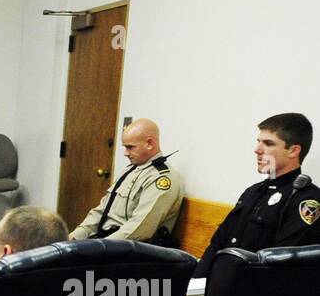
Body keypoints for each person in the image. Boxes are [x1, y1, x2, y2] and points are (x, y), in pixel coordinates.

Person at [195, 113, 320, 277]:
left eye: (268, 143)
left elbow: (283, 267)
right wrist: (195, 283)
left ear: (293, 150)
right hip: (220, 284)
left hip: (256, 293)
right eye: (258, 142)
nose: (257, 150)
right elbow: (218, 243)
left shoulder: (306, 201)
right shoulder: (253, 192)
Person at [68, 118, 184, 245]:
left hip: (130, 252)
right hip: (107, 243)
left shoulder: (162, 179)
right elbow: (101, 211)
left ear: (150, 143)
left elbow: (138, 229)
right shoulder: (131, 170)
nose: (125, 153)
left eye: (130, 147)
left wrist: (97, 247)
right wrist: (74, 237)